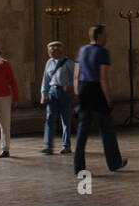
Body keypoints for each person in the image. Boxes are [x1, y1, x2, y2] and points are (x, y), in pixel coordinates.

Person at [73, 25, 126, 174]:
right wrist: (108, 99)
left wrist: (78, 95)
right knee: (107, 130)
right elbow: (103, 78)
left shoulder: (82, 50)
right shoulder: (102, 52)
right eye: (105, 35)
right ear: (100, 36)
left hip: (83, 90)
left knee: (82, 132)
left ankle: (78, 167)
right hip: (96, 91)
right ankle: (114, 162)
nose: (107, 37)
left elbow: (76, 76)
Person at [40, 40, 74, 154]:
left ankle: (66, 145)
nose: (49, 53)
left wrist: (70, 85)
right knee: (49, 118)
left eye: (51, 50)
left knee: (66, 119)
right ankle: (48, 146)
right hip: (52, 91)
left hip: (64, 93)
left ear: (58, 50)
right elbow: (46, 79)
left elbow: (77, 76)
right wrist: (43, 93)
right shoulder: (49, 62)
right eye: (49, 51)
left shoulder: (68, 62)